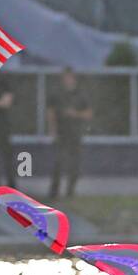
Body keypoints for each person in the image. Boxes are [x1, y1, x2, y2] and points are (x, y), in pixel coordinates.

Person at [47, 68, 93, 199]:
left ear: (74, 79)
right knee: (58, 162)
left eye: (70, 77)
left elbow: (89, 114)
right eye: (66, 77)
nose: (68, 80)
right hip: (61, 132)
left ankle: (70, 190)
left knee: (75, 163)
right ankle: (54, 191)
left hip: (75, 133)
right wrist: (52, 130)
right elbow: (50, 113)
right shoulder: (57, 94)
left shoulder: (81, 95)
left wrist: (75, 114)